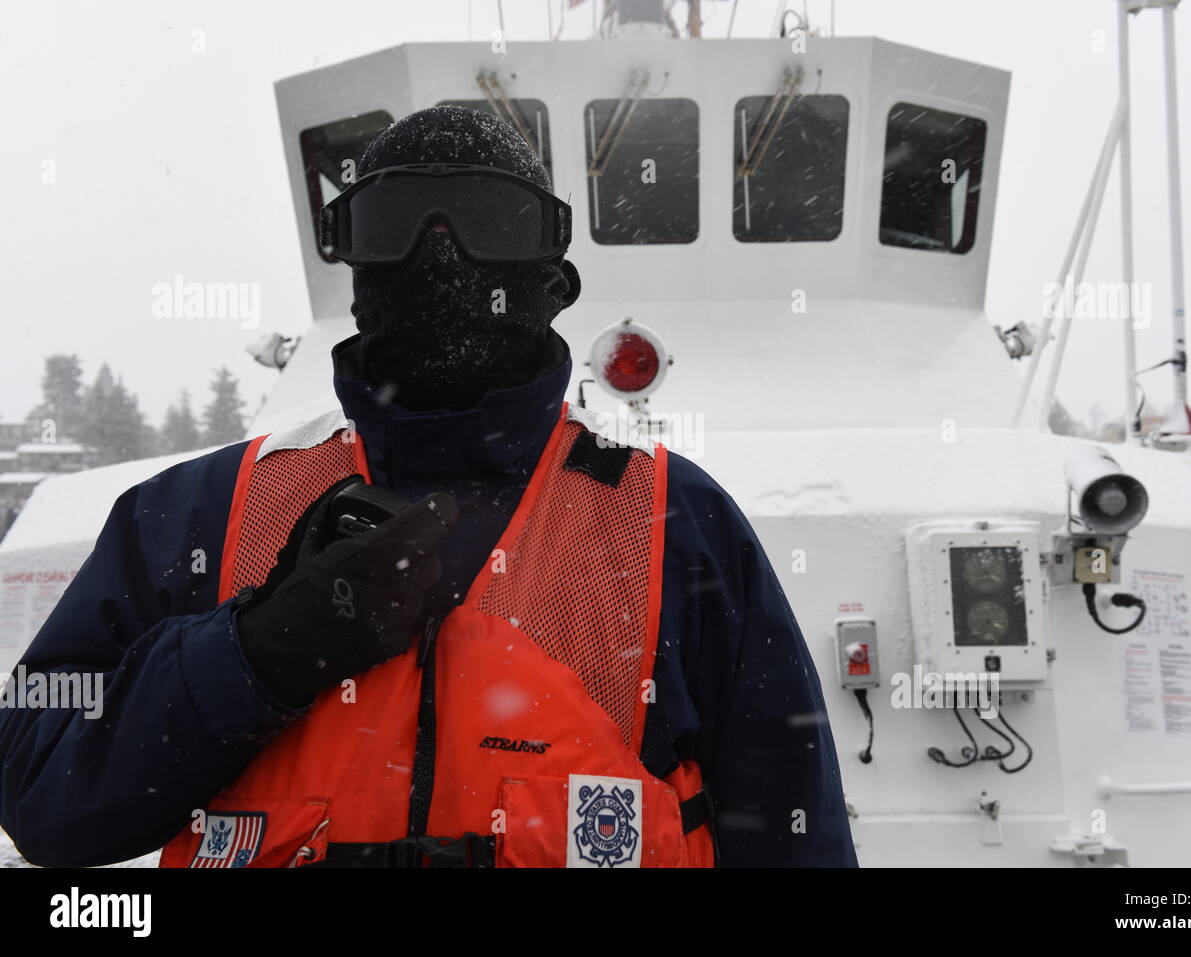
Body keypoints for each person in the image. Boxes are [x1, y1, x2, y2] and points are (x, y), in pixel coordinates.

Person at [0, 106, 857, 868]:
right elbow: (40, 797)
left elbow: (794, 834)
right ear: (352, 263)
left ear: (555, 280)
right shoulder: (201, 514)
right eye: (395, 221)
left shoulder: (677, 526)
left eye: (489, 219)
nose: (439, 253)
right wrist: (258, 653)